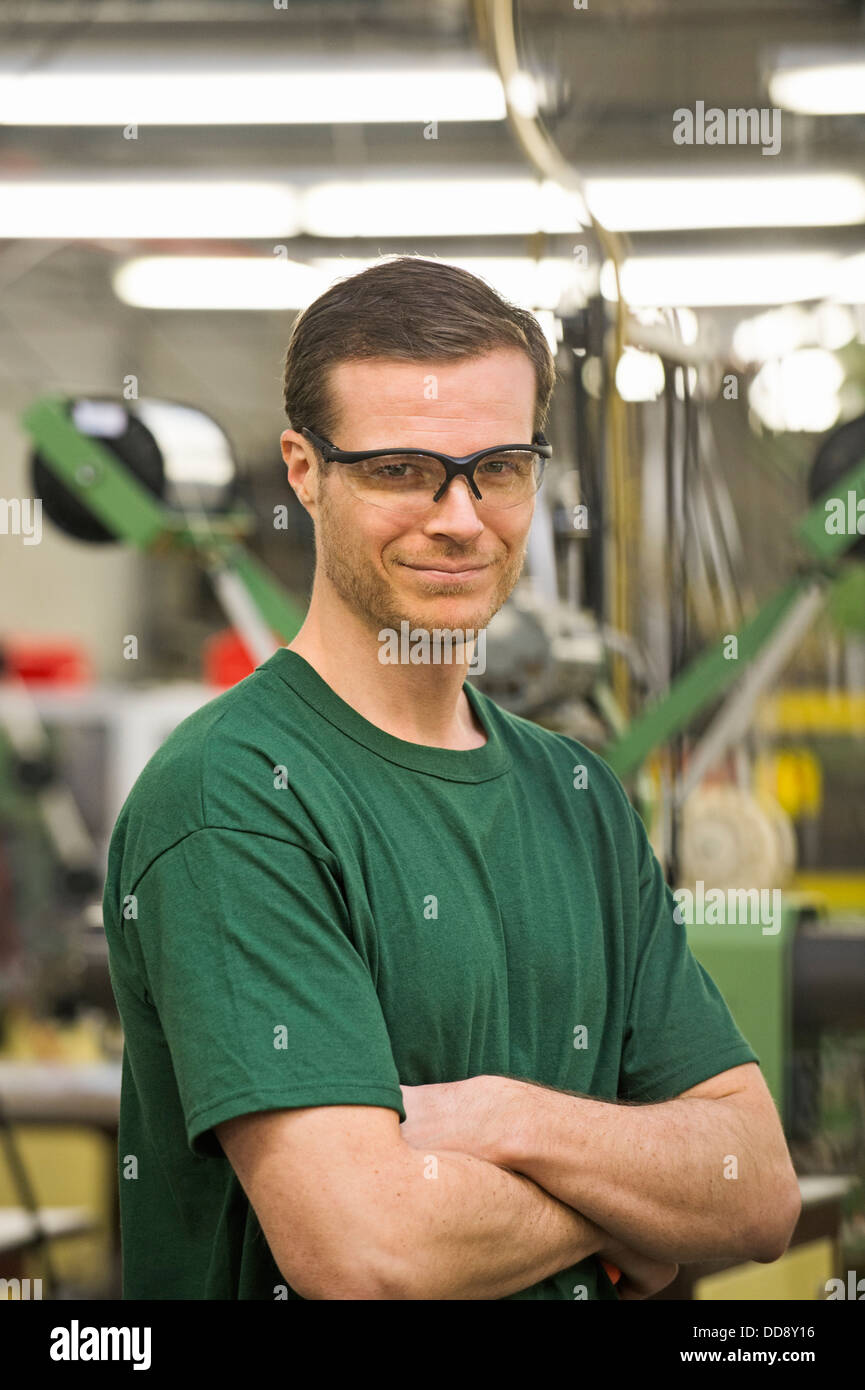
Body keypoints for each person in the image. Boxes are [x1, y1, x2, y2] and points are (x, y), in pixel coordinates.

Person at [103, 256, 800, 1300]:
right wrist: (630, 1213)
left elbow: (755, 1191)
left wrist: (500, 1117)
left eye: (499, 467)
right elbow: (368, 1253)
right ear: (304, 469)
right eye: (400, 469)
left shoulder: (576, 793)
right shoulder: (235, 796)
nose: (462, 518)